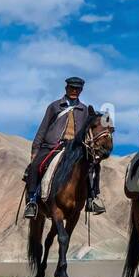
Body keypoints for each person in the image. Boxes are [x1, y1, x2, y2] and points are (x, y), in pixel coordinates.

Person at [23, 76, 105, 219]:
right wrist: (35, 149)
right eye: (71, 88)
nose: (74, 90)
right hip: (52, 146)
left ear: (81, 90)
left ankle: (93, 198)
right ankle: (32, 202)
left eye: (77, 89)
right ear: (66, 88)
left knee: (94, 167)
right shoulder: (54, 106)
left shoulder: (84, 110)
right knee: (36, 166)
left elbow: (89, 131)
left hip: (75, 149)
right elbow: (43, 128)